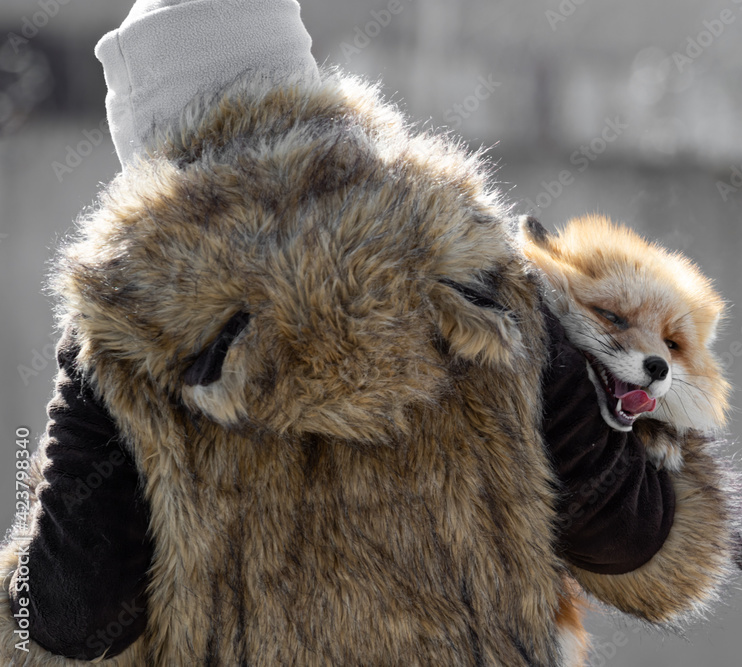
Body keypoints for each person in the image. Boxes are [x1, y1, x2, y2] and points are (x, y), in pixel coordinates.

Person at [5, 0, 675, 658]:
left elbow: (72, 613)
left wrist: (37, 501)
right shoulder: (473, 260)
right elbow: (628, 541)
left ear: (144, 145)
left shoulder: (130, 313)